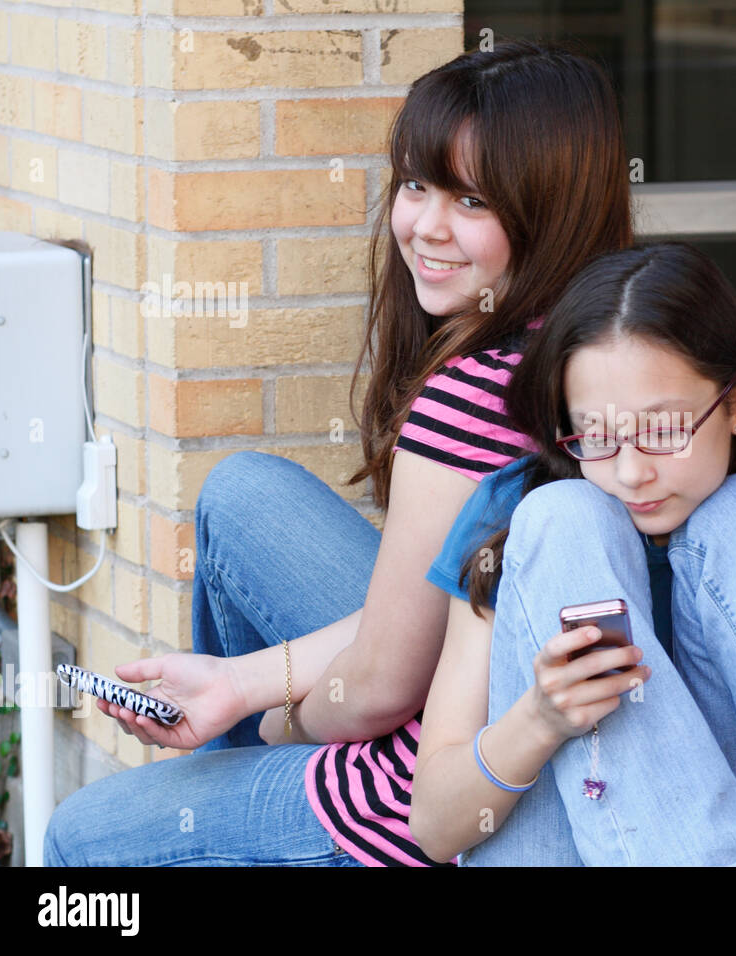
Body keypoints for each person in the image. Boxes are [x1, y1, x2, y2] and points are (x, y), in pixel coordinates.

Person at [43, 40, 633, 867]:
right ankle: (231, 774)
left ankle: (247, 803)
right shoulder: (623, 341)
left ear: (551, 208)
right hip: (506, 680)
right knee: (243, 493)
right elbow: (423, 618)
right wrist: (241, 685)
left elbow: (378, 695)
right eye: (417, 184)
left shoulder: (475, 394)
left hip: (434, 800)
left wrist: (279, 726)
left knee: (79, 838)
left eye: (471, 200)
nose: (424, 227)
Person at [409, 243, 736, 866]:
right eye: (597, 434)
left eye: (664, 429)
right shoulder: (517, 516)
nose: (632, 472)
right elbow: (435, 826)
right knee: (566, 514)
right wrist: (540, 719)